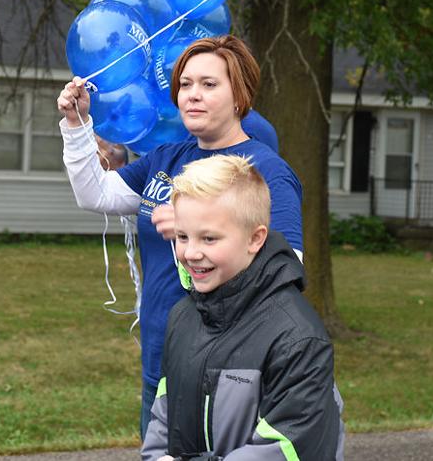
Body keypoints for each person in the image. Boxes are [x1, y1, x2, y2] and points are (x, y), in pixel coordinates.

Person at [57, 36, 304, 439]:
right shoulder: (167, 158)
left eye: (209, 85)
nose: (192, 95)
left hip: (227, 369)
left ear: (239, 93)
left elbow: (287, 270)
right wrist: (77, 126)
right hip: (161, 356)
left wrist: (192, 234)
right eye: (185, 84)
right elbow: (96, 193)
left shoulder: (265, 171)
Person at [142, 155, 343, 461]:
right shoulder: (183, 316)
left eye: (209, 238)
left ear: (255, 238)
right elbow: (163, 415)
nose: (191, 252)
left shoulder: (296, 338)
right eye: (182, 237)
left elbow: (290, 447)